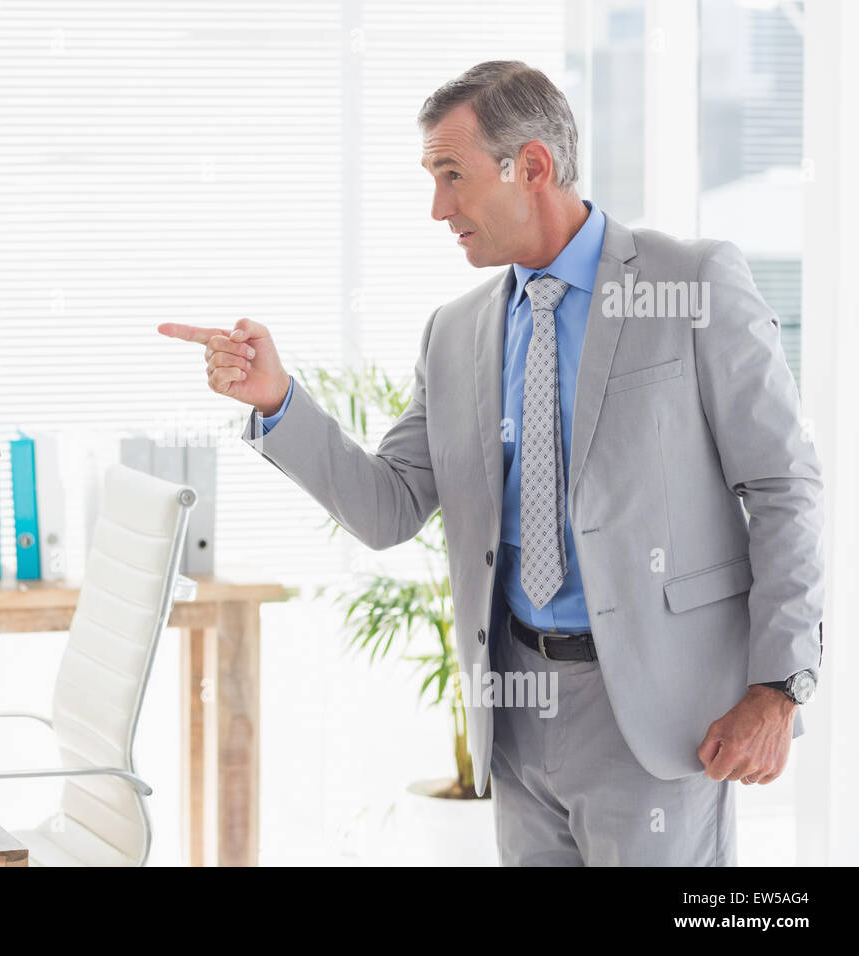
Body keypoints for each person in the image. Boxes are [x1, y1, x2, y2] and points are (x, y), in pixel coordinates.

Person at [158, 60, 824, 866]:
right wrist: (277, 401)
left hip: (661, 717)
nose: (439, 208)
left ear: (532, 166)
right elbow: (388, 507)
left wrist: (778, 687)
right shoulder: (456, 332)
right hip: (515, 711)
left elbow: (783, 487)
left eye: (452, 176)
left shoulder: (691, 282)